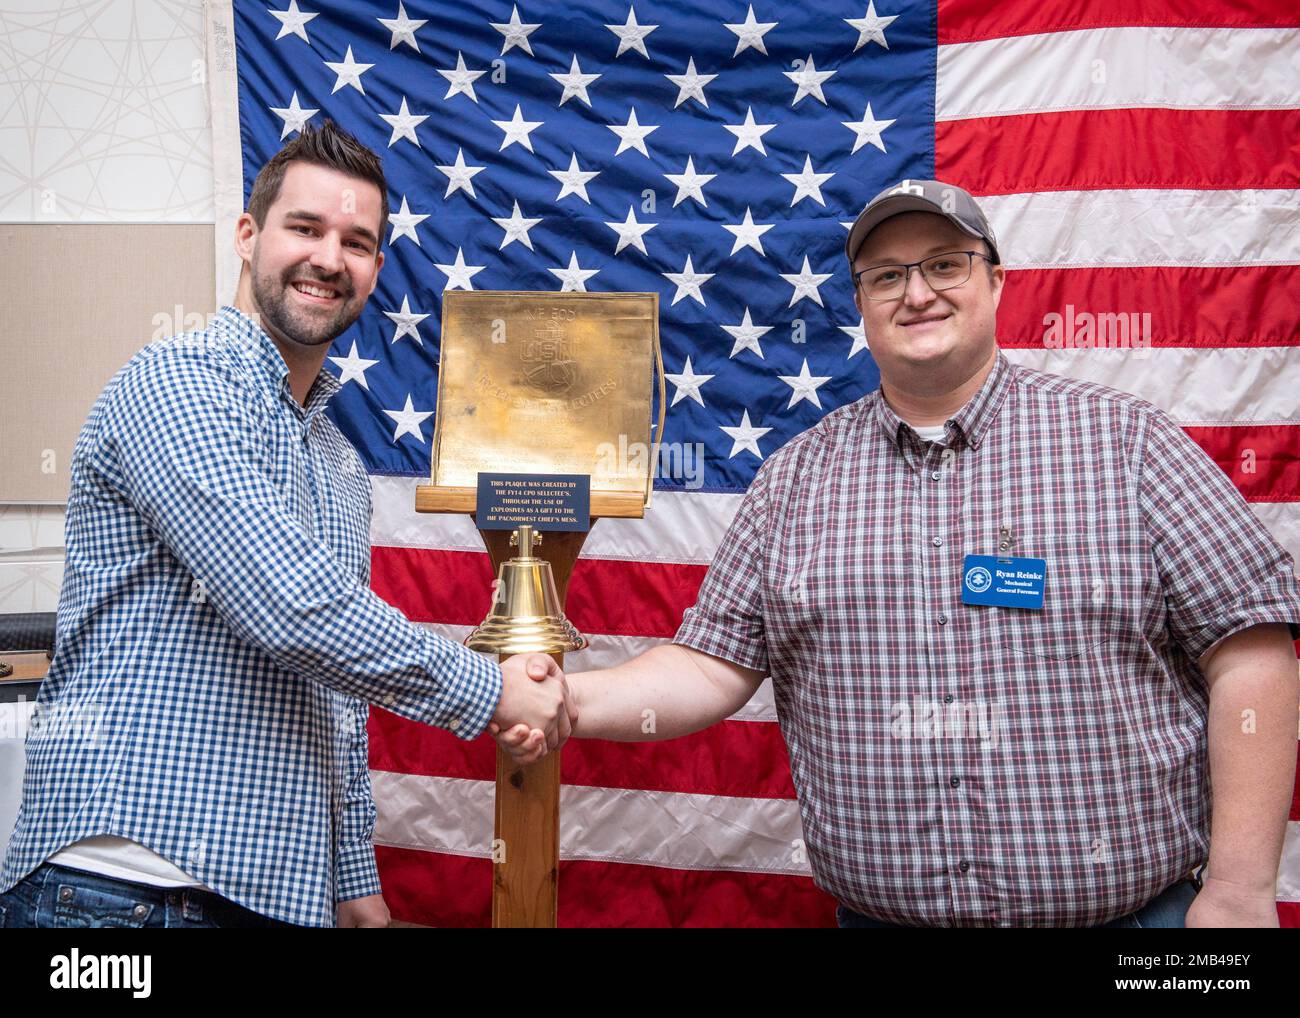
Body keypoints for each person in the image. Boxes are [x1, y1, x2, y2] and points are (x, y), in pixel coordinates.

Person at [495, 178, 1300, 928]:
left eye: (945, 264)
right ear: (861, 304)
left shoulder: (1127, 444)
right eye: (887, 276)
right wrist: (568, 702)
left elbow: (1253, 650)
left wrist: (1237, 887)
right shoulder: (797, 478)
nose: (917, 292)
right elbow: (711, 667)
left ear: (996, 281)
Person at [0, 121, 573, 929]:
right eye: (305, 228)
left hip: (269, 897)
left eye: (358, 242)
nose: (329, 259)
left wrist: (351, 876)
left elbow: (331, 675)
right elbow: (289, 604)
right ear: (247, 234)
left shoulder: (337, 459)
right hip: (119, 893)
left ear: (375, 270)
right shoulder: (181, 381)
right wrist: (493, 689)